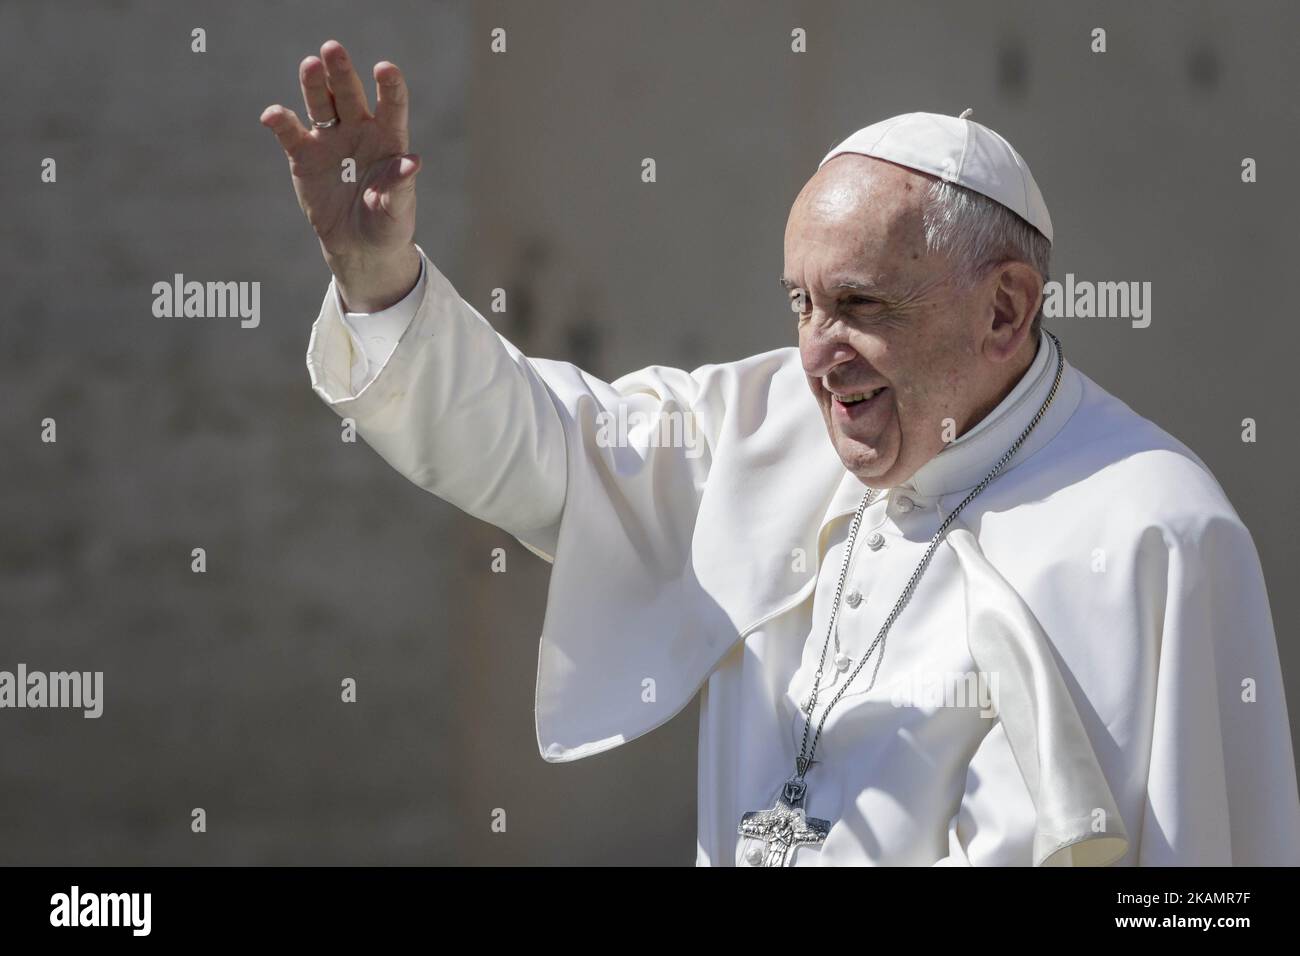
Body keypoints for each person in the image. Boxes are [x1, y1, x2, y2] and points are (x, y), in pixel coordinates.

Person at [261, 39, 1300, 866]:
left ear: (1004, 307)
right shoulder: (756, 430)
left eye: (858, 304)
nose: (815, 351)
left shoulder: (1150, 528)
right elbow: (533, 443)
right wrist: (380, 276)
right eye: (800, 302)